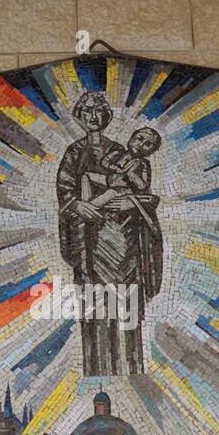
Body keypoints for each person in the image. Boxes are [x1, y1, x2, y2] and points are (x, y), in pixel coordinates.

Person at [55, 94, 164, 375]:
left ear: (107, 116)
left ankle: (131, 367)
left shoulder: (119, 151)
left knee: (126, 303)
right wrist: (79, 205)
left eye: (99, 111)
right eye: (87, 111)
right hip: (90, 242)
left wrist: (132, 202)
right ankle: (98, 367)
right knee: (95, 305)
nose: (93, 116)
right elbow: (66, 190)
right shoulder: (74, 152)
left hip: (123, 240)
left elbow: (143, 193)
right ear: (79, 116)